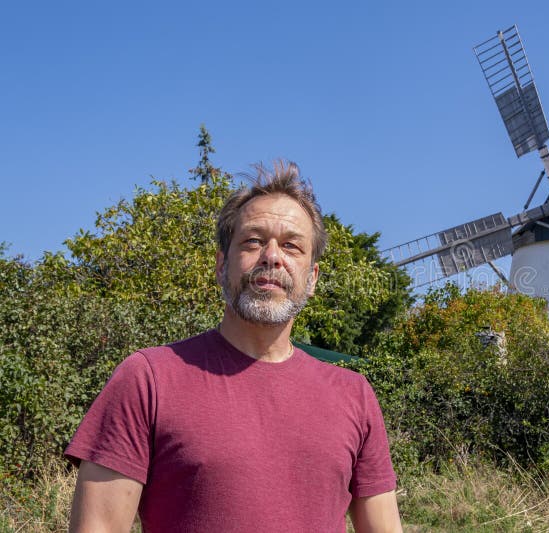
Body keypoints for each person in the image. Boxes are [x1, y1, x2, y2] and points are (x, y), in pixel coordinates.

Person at [65, 160, 402, 532]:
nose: (272, 256)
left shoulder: (355, 396)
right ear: (222, 264)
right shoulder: (148, 380)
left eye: (291, 246)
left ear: (313, 278)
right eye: (253, 241)